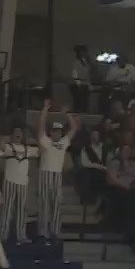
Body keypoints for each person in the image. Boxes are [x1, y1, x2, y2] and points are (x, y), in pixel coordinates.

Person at [35, 102, 78, 241]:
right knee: (44, 204)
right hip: (45, 173)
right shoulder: (46, 141)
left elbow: (74, 128)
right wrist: (45, 110)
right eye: (54, 131)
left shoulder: (64, 142)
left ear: (61, 132)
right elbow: (40, 127)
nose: (56, 133)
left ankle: (55, 231)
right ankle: (42, 231)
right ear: (51, 132)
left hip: (57, 175)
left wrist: (67, 114)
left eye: (58, 131)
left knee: (56, 204)